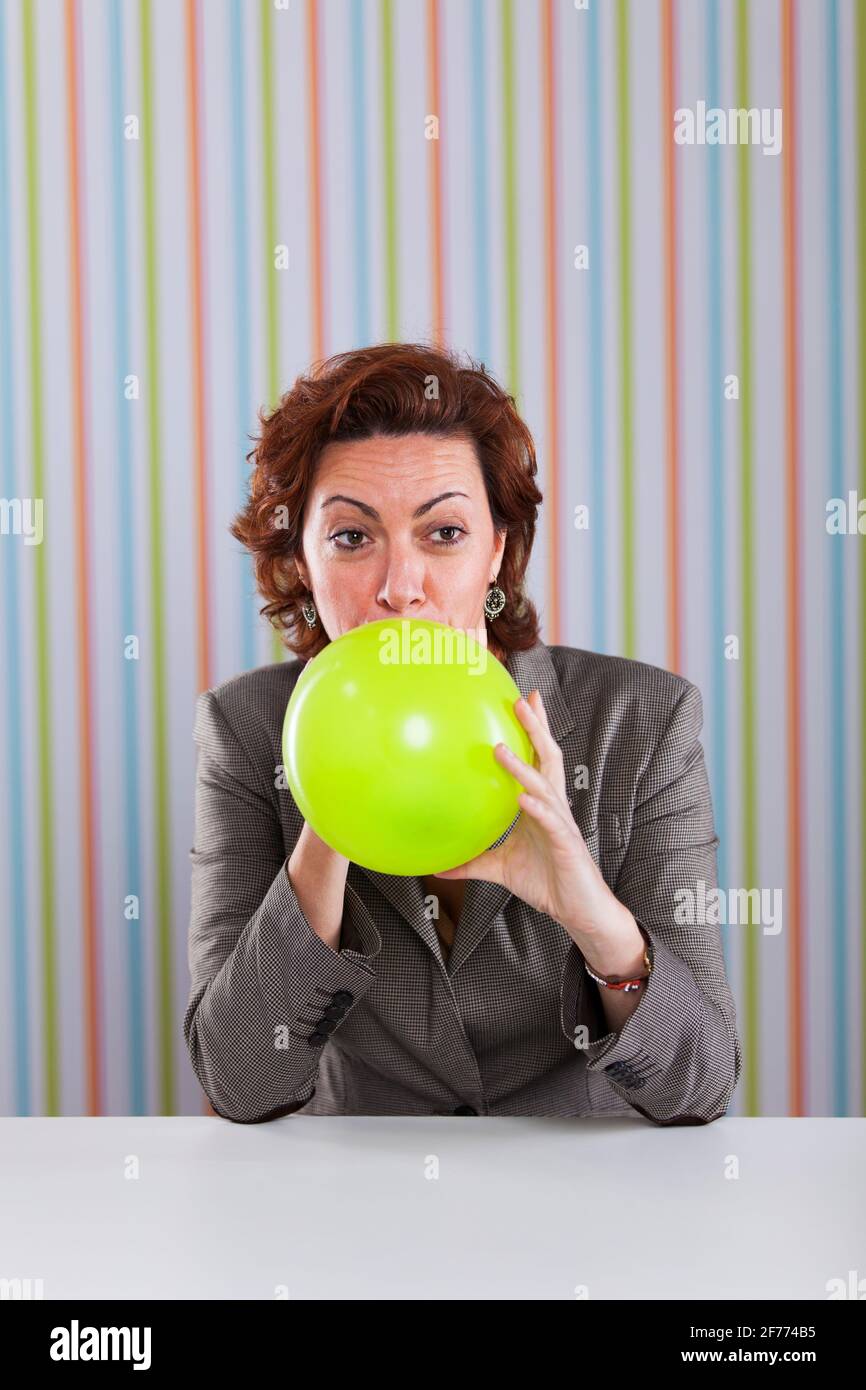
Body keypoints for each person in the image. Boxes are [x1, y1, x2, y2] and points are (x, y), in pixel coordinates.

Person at [183, 342, 742, 1124]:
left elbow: (698, 1091)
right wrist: (330, 819)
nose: (399, 589)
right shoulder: (245, 732)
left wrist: (595, 920)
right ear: (303, 562)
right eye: (352, 537)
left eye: (442, 533)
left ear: (496, 554)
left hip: (589, 1207)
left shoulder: (642, 722)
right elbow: (242, 1087)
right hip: (353, 1201)